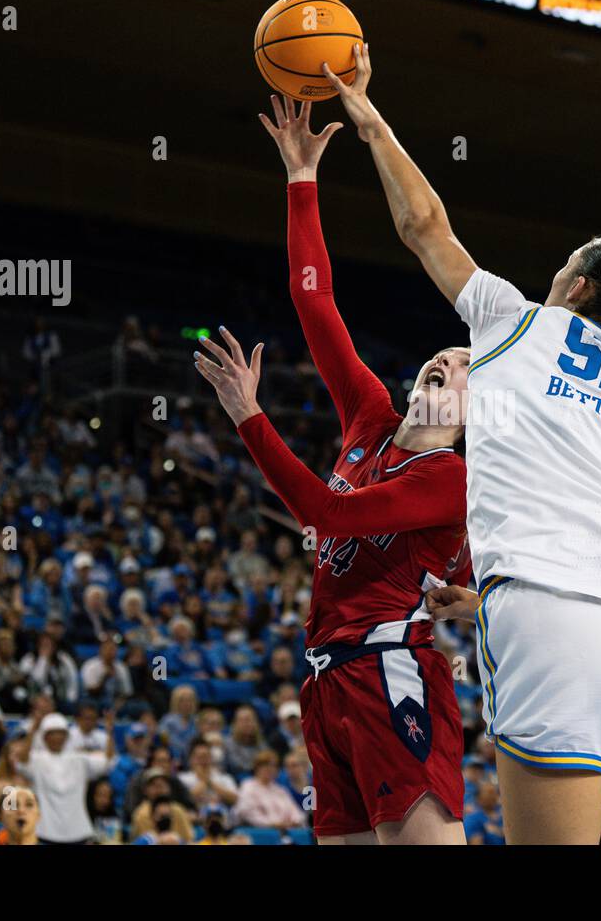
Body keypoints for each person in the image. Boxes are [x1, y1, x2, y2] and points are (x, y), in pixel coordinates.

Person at [323, 45, 601, 844]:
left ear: (577, 288)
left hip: (556, 619)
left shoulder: (513, 320)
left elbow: (422, 223)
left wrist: (367, 115)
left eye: (563, 265)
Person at [193, 94, 474, 846]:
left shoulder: (449, 478)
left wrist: (250, 418)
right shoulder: (373, 419)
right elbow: (314, 304)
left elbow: (333, 515)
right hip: (325, 682)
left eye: (459, 366)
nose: (440, 364)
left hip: (392, 674)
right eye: (437, 357)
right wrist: (301, 177)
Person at [18, 710, 116, 844]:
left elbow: (108, 762)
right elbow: (21, 762)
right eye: (52, 733)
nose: (57, 737)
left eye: (60, 733)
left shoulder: (78, 759)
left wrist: (110, 732)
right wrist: (33, 730)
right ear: (44, 737)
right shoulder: (37, 759)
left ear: (66, 736)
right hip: (46, 831)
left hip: (78, 831)